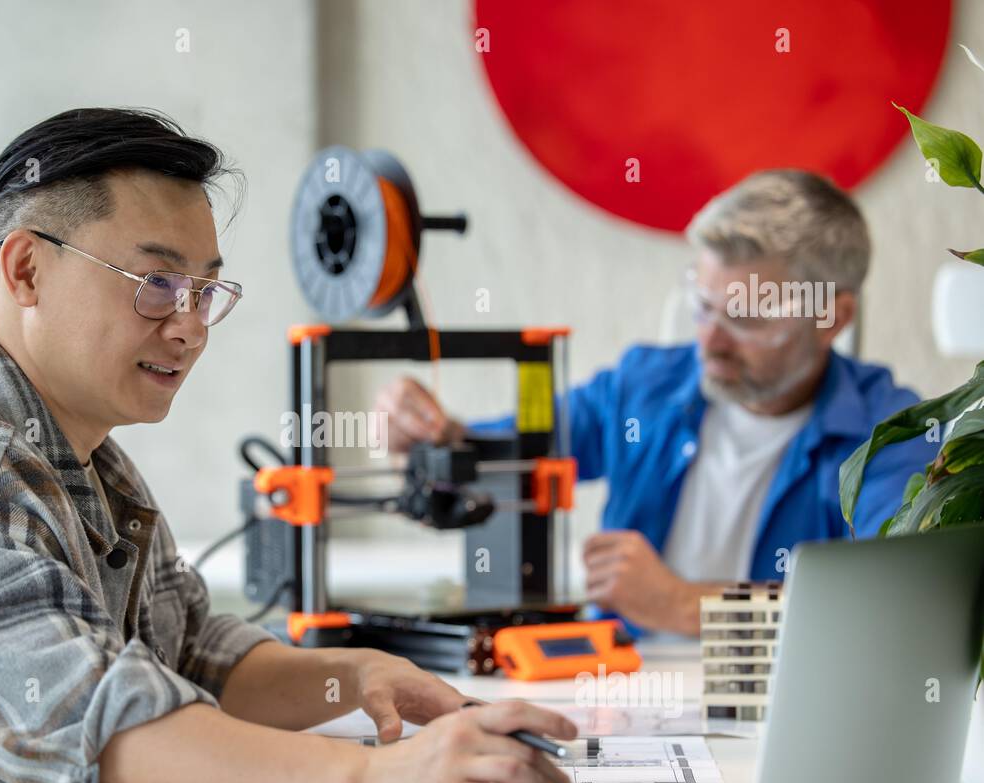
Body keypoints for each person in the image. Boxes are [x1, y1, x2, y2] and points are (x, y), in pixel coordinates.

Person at [0, 108, 577, 783]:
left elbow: (191, 657)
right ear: (28, 270)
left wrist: (357, 677)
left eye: (205, 291)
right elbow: (115, 739)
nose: (188, 325)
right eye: (156, 283)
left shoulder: (91, 463)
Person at [376, 170, 929, 637]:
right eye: (705, 306)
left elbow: (899, 611)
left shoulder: (891, 435)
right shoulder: (642, 387)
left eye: (746, 319)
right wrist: (425, 436)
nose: (710, 342)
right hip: (616, 702)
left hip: (779, 724)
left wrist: (685, 605)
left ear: (833, 317)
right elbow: (494, 459)